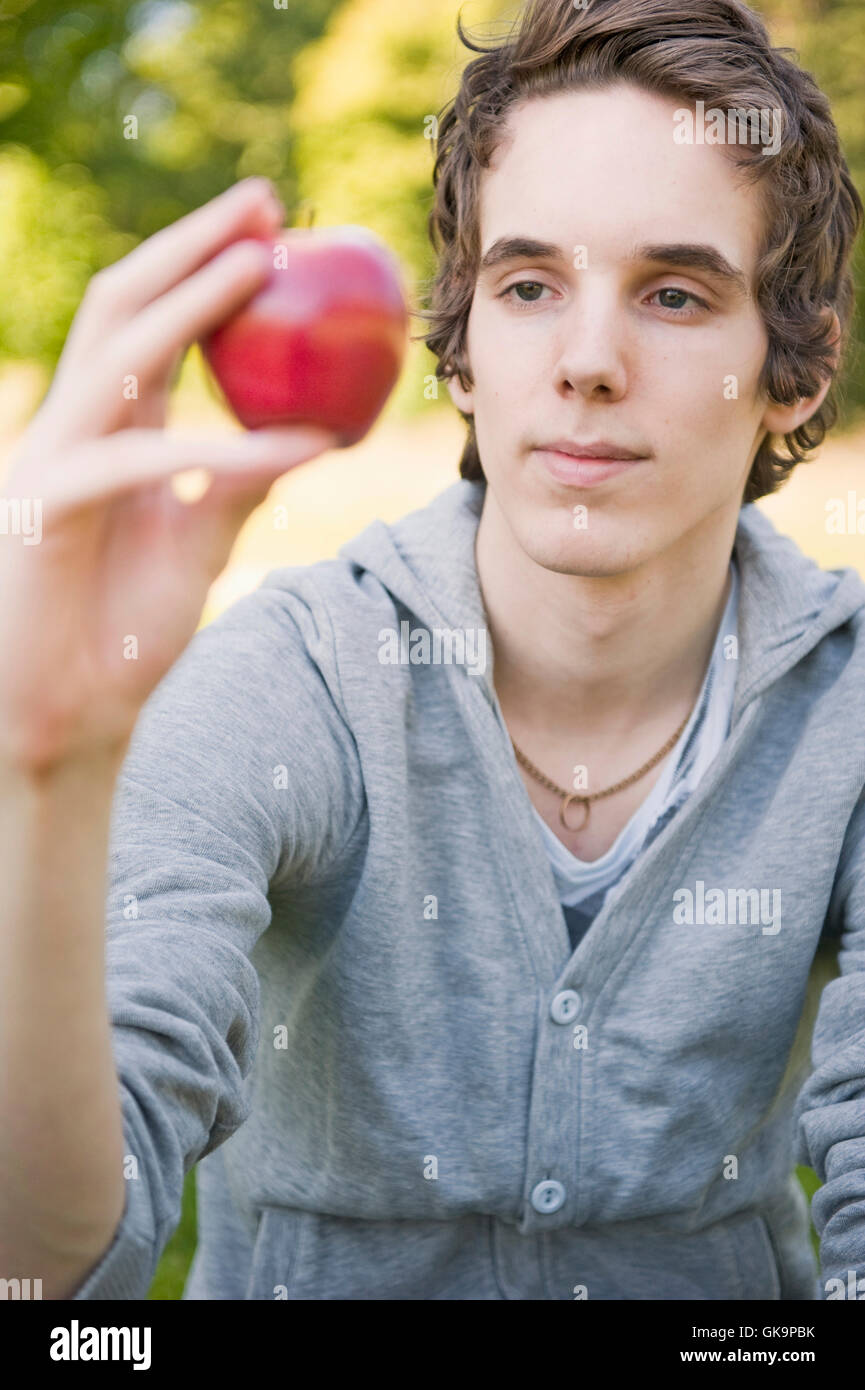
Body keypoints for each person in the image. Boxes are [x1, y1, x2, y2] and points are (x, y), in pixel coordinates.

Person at [1, 0, 862, 1302]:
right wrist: (43, 770)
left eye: (673, 293)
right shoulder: (290, 679)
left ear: (793, 372)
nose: (583, 361)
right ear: (460, 350)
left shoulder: (842, 707)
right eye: (526, 287)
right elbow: (47, 1261)